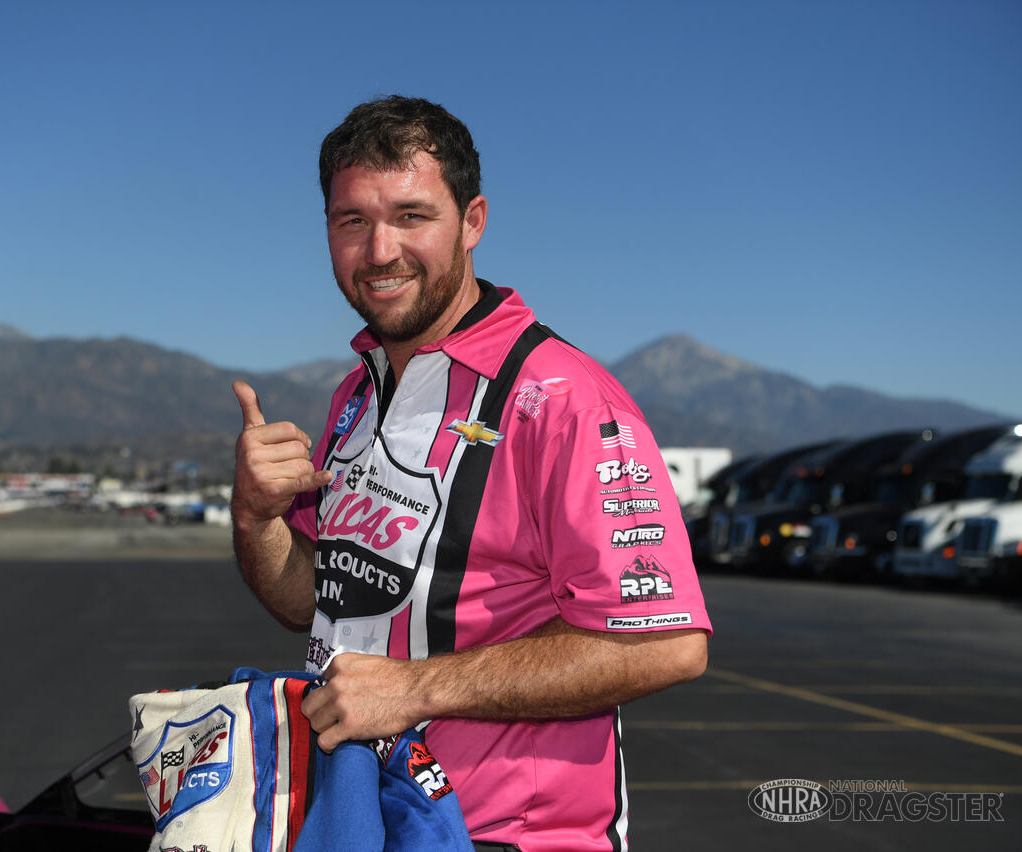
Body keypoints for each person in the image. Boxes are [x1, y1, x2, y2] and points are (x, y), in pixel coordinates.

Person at [231, 95, 711, 852]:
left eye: (412, 216)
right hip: (363, 823)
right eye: (352, 220)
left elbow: (667, 643)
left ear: (472, 221)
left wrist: (413, 689)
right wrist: (255, 516)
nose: (380, 250)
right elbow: (311, 603)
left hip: (508, 836)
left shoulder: (563, 397)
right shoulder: (358, 393)